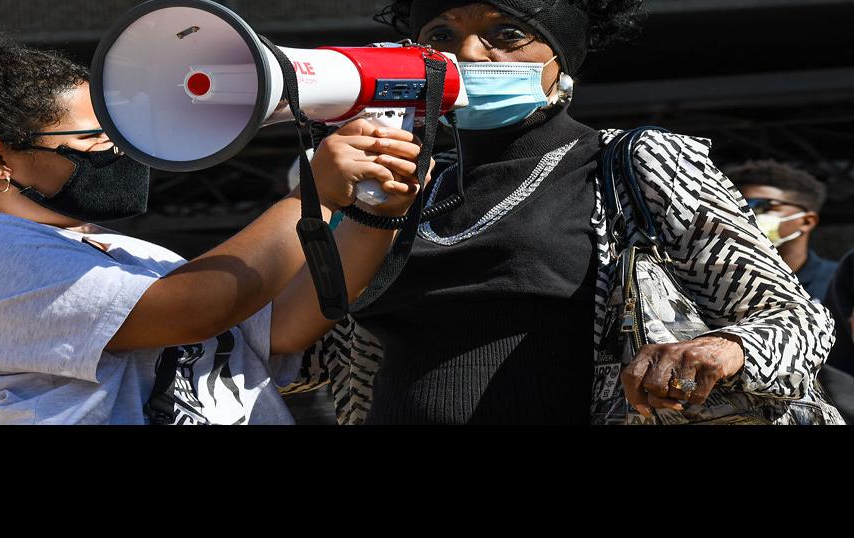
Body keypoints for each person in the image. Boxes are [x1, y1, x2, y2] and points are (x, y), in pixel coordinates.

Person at [0, 6, 428, 425]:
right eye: (96, 134)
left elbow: (287, 326)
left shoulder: (128, 255)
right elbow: (195, 311)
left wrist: (373, 214)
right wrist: (315, 195)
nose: (120, 148)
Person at [286, 0, 840, 425]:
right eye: (441, 36)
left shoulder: (634, 162)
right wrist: (324, 200)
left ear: (560, 61)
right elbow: (298, 363)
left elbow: (799, 322)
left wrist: (720, 349)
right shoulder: (405, 192)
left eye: (506, 34)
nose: (470, 54)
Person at [727, 160, 837, 302]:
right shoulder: (711, 279)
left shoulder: (840, 281)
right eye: (739, 206)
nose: (747, 214)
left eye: (763, 206)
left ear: (807, 221)